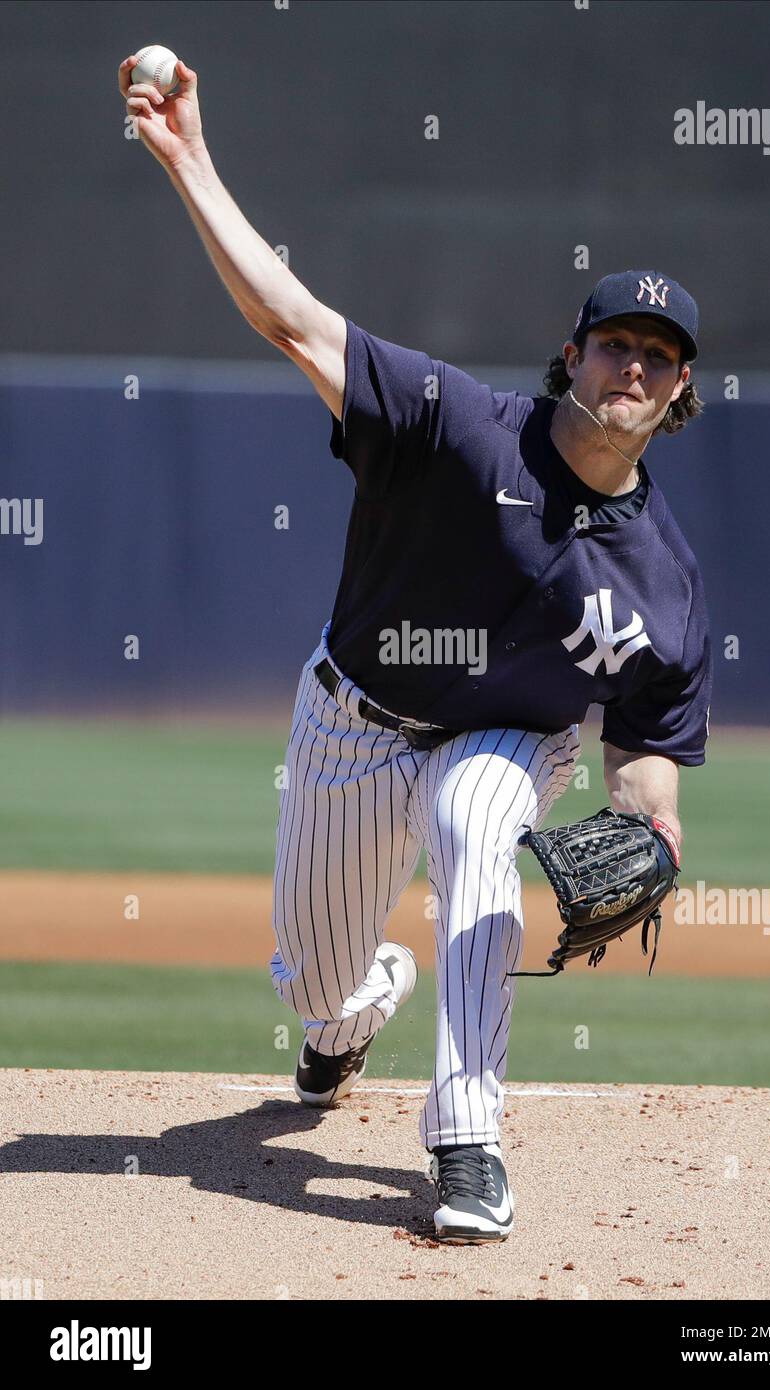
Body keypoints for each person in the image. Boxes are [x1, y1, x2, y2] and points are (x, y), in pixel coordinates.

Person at [119, 55, 712, 1244]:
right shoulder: (455, 426)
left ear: (679, 387)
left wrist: (651, 832)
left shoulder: (666, 586)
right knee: (318, 982)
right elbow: (286, 317)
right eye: (614, 344)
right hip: (349, 722)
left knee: (475, 823)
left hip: (503, 740)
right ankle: (352, 1014)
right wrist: (188, 158)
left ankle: (466, 1141)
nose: (631, 368)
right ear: (573, 352)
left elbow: (645, 760)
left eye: (656, 356)